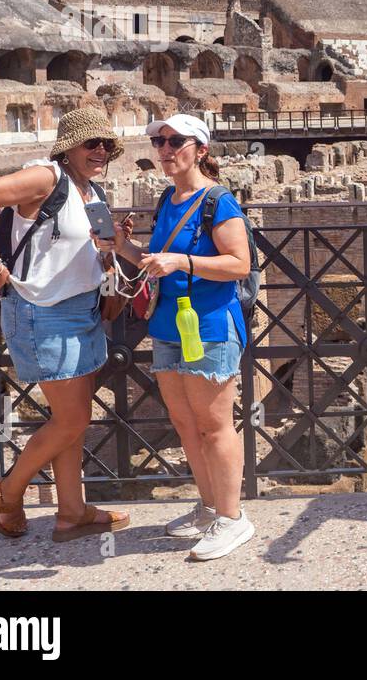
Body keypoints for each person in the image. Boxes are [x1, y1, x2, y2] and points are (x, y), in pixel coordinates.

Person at [0, 108, 131, 542]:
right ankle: (4, 491)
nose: (100, 151)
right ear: (68, 147)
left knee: (68, 418)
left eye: (106, 145)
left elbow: (88, 253)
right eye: (91, 143)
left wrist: (110, 257)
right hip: (43, 312)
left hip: (85, 311)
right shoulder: (45, 177)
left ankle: (71, 512)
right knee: (73, 419)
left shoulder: (92, 192)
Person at [113, 113, 254, 560]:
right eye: (160, 142)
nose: (166, 149)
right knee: (185, 423)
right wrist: (123, 248)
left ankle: (233, 520)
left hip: (210, 324)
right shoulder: (168, 200)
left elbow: (239, 265)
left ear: (201, 149)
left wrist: (183, 262)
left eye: (176, 141)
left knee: (215, 427)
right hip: (168, 325)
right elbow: (158, 262)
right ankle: (209, 506)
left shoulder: (218, 202)